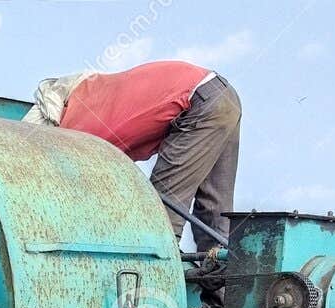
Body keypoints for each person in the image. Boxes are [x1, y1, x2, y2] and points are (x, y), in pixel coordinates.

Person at [24, 61, 242, 254]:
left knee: (160, 219)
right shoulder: (93, 94)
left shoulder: (75, 130)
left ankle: (155, 287)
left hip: (196, 101)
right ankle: (220, 298)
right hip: (220, 92)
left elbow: (86, 192)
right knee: (215, 215)